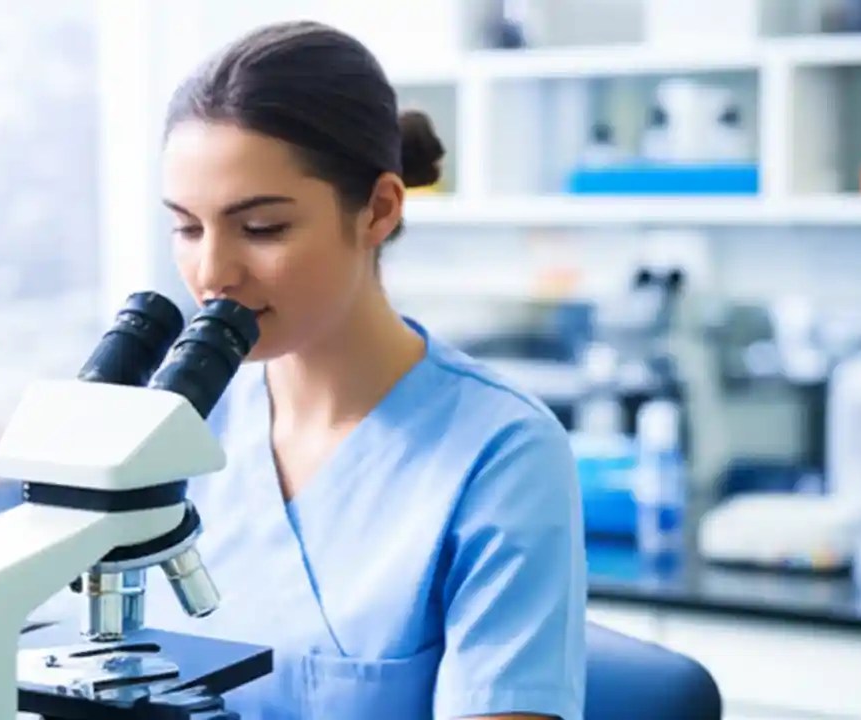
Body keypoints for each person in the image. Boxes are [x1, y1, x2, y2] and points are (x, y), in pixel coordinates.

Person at [147, 19, 587, 720]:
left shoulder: (501, 452)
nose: (212, 273)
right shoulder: (177, 426)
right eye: (187, 227)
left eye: (261, 228)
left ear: (378, 210)